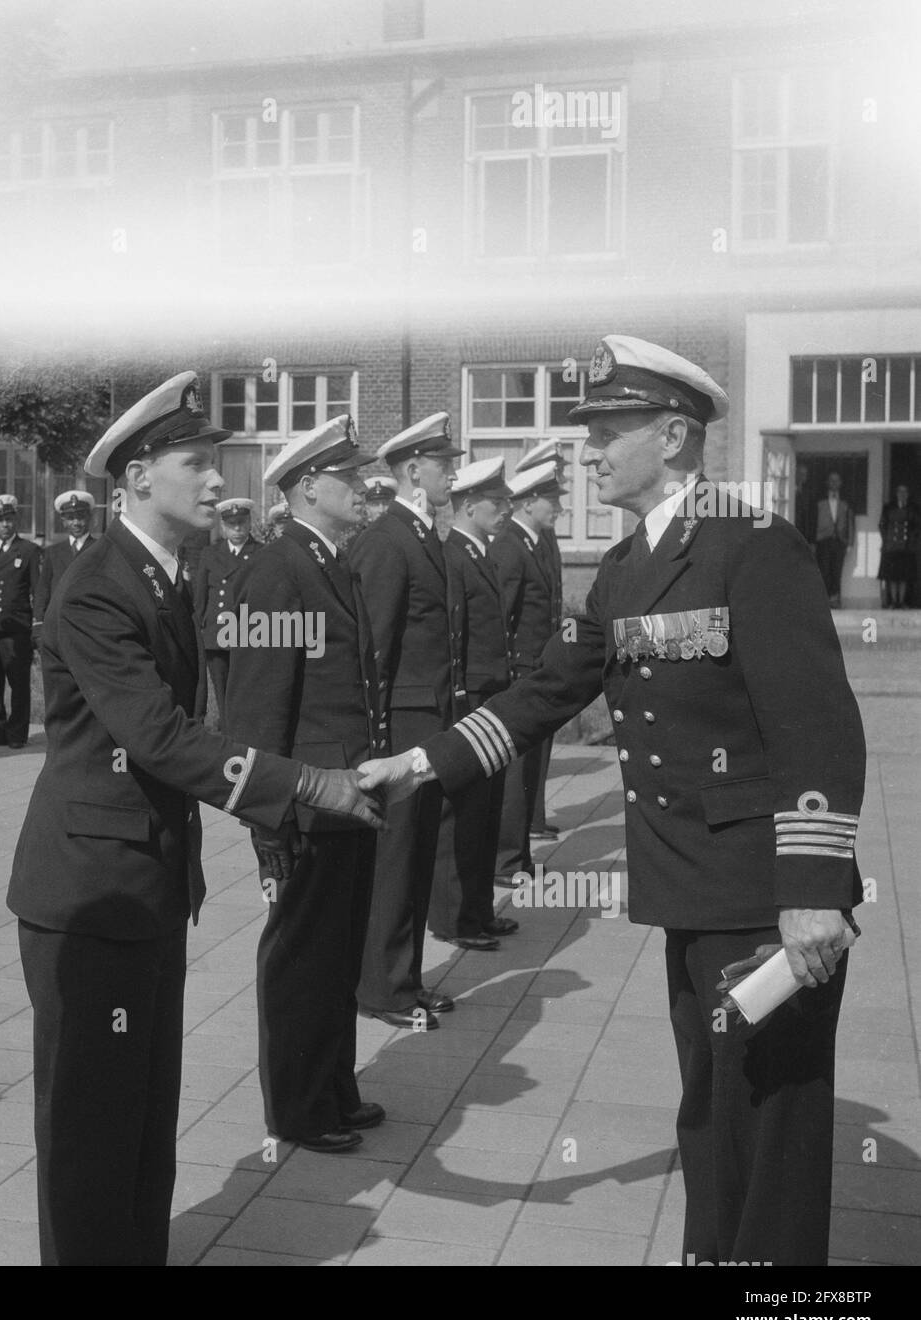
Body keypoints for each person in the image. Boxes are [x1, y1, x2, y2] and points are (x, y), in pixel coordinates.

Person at [358, 335, 864, 1267]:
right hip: (689, 889)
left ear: (674, 435)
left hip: (764, 897)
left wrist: (813, 890)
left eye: (607, 433)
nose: (587, 453)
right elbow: (550, 688)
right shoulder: (631, 564)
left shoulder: (755, 548)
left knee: (774, 1128)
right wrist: (424, 763)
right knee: (713, 1101)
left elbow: (819, 731)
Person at [5, 372, 382, 1266]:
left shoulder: (165, 573)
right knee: (93, 1123)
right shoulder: (100, 586)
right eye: (197, 464)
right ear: (136, 478)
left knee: (143, 1110)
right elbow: (160, 735)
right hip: (90, 890)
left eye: (218, 464)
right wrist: (310, 787)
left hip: (147, 876)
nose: (221, 482)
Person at [224, 416, 387, 1154]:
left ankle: (332, 1086)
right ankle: (296, 1105)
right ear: (307, 486)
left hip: (347, 791)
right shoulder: (276, 567)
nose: (362, 487)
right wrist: (270, 818)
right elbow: (260, 704)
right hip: (307, 799)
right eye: (348, 477)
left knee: (338, 950)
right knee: (301, 953)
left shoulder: (331, 560)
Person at [349, 413, 461, 1029]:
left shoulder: (421, 536)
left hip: (429, 723)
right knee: (394, 861)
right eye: (444, 464)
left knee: (417, 855)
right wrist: (378, 739)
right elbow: (374, 649)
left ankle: (406, 977)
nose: (453, 474)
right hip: (401, 726)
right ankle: (382, 986)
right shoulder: (388, 540)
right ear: (414, 470)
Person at [430, 457, 516, 950]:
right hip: (472, 700)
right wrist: (460, 699)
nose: (505, 510)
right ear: (467, 505)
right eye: (496, 502)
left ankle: (478, 911)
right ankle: (454, 918)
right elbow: (454, 633)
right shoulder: (454, 555)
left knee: (486, 813)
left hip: (492, 696)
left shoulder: (480, 551)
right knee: (461, 816)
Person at [492, 461, 566, 886]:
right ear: (530, 502)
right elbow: (502, 614)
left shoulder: (534, 542)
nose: (558, 507)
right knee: (515, 772)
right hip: (519, 670)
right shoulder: (510, 546)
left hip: (535, 668)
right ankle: (505, 861)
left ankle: (517, 856)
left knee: (528, 771)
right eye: (552, 500)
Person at [0, 493, 41, 749]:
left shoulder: (28, 550)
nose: (5, 525)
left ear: (16, 520)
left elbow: (38, 590)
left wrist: (36, 626)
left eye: (9, 518)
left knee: (18, 683)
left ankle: (17, 734)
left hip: (15, 628)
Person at [193, 497, 261, 721]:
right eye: (232, 524)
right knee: (221, 689)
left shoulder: (262, 553)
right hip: (216, 633)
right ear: (223, 526)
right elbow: (200, 598)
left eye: (242, 522)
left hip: (248, 633)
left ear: (249, 522)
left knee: (246, 689)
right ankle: (227, 729)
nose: (238, 528)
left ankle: (243, 729)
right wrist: (200, 629)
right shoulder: (210, 554)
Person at [33, 489, 97, 626]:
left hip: (90, 623)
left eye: (81, 517)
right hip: (59, 623)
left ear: (89, 518)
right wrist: (38, 624)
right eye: (71, 518)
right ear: (63, 521)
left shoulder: (100, 549)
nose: (76, 523)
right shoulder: (53, 552)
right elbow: (43, 590)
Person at [814, 471, 854, 607]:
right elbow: (813, 520)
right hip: (823, 540)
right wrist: (813, 540)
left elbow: (850, 522)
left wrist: (850, 543)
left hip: (839, 541)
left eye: (837, 481)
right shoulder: (820, 500)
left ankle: (835, 599)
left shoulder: (845, 501)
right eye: (831, 480)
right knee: (824, 570)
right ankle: (824, 601)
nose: (834, 483)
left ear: (841, 483)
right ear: (827, 482)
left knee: (837, 571)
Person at [877, 482, 919, 609]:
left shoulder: (913, 508)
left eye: (905, 492)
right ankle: (894, 602)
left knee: (904, 576)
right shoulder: (888, 507)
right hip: (891, 546)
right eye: (900, 492)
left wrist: (912, 540)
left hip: (906, 547)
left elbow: (917, 526)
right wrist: (886, 540)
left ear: (908, 494)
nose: (902, 494)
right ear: (896, 494)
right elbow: (882, 525)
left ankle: (901, 602)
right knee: (892, 575)